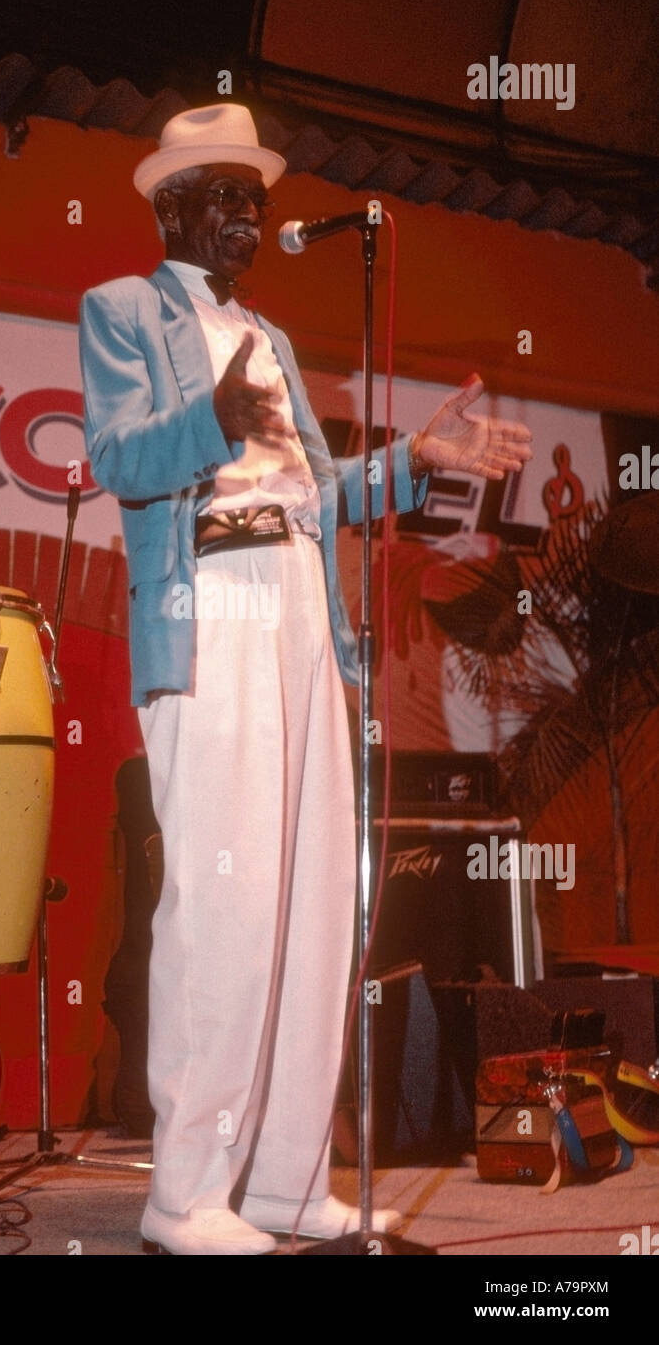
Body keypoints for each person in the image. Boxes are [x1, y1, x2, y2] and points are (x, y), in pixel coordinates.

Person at [80, 104, 532, 1255]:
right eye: (225, 195)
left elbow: (315, 495)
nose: (248, 215)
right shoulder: (123, 310)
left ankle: (283, 1177)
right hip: (210, 603)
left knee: (313, 898)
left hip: (297, 606)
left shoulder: (271, 338)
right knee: (223, 904)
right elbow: (121, 460)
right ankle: (183, 1194)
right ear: (173, 204)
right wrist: (204, 420)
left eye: (256, 198)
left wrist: (417, 460)